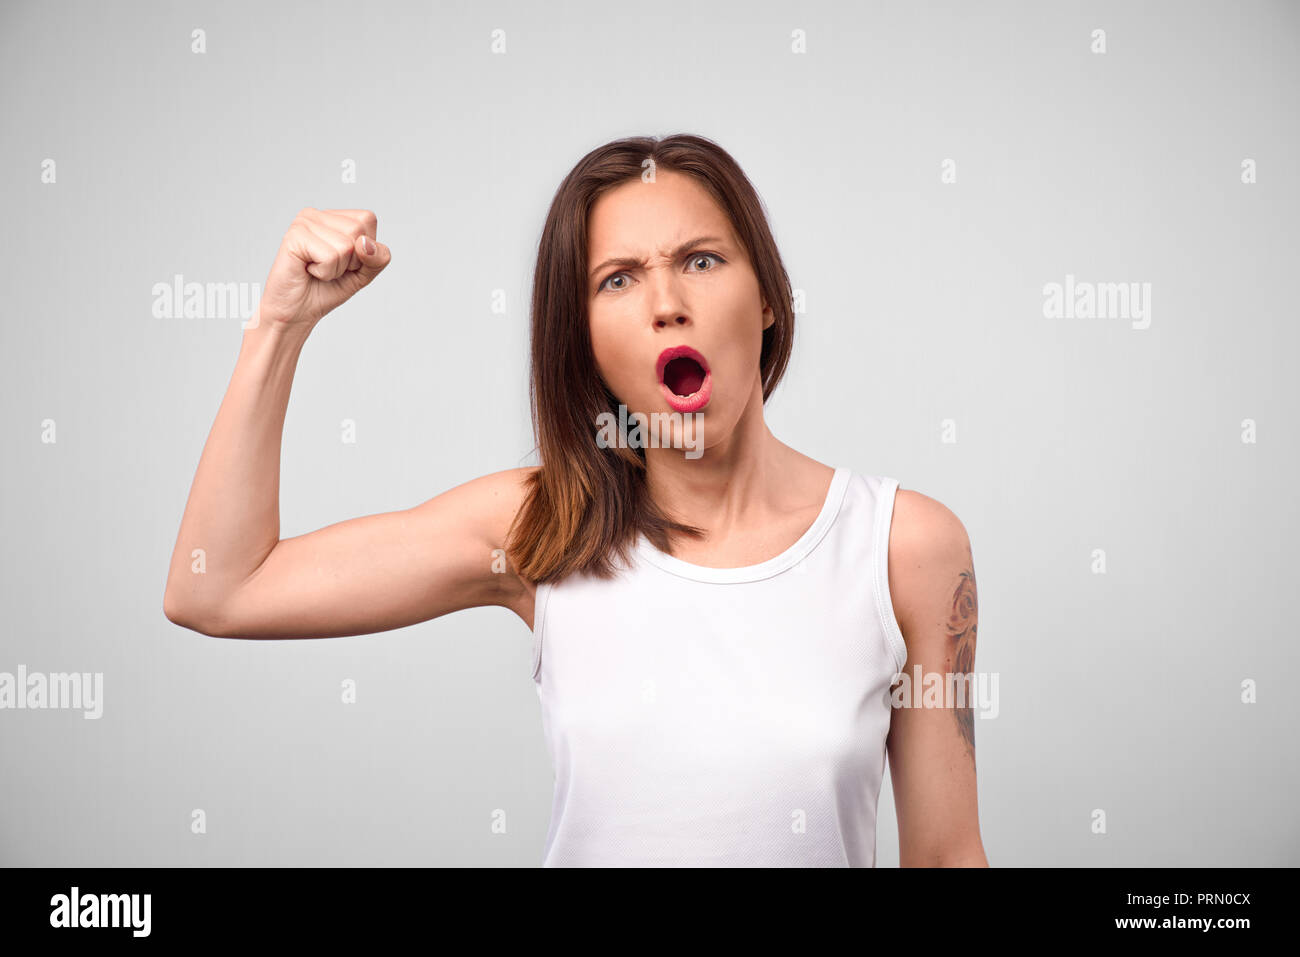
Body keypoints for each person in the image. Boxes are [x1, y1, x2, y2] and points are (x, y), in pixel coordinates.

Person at [164, 133, 988, 868]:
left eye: (701, 259)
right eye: (618, 279)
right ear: (586, 340)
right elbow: (220, 586)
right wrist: (279, 327)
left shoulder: (902, 545)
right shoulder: (541, 528)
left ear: (767, 297)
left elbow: (948, 854)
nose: (668, 302)